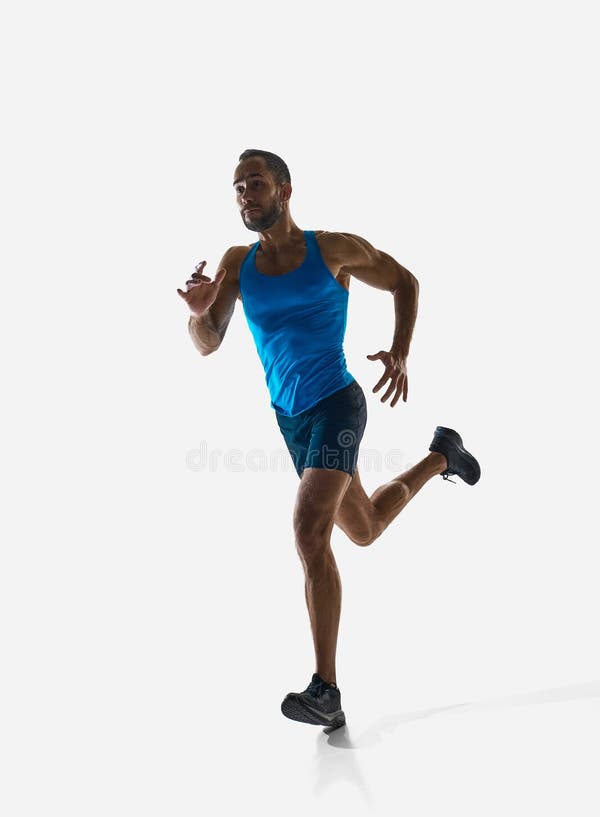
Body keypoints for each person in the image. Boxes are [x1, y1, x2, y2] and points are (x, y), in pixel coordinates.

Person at [177, 148, 480, 729]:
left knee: (308, 531)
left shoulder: (332, 249)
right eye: (238, 187)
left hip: (338, 405)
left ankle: (326, 690)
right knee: (362, 529)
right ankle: (444, 452)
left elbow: (404, 280)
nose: (245, 194)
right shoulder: (236, 263)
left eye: (256, 183)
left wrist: (401, 350)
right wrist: (197, 311)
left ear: (286, 190)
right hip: (292, 421)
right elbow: (207, 344)